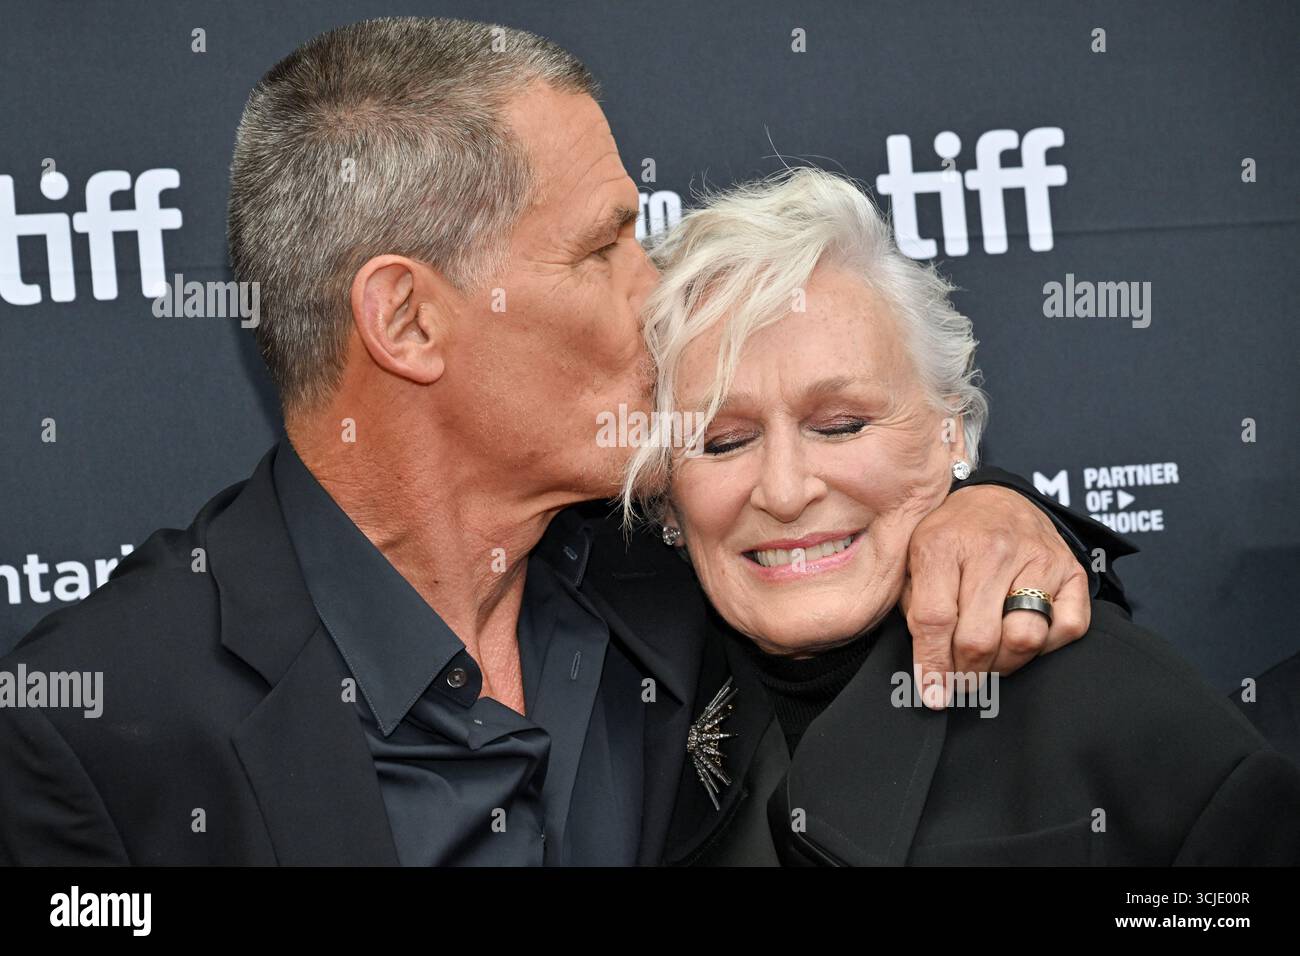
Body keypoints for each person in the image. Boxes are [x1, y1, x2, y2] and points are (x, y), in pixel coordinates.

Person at [0, 18, 1126, 866]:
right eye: (604, 250)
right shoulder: (94, 732)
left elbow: (873, 528)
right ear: (406, 320)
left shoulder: (682, 545)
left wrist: (995, 512)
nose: (659, 296)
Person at [624, 167, 1300, 865]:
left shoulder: (1129, 716)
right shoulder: (614, 709)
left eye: (843, 426)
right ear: (664, 493)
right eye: (725, 441)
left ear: (950, 432)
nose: (787, 491)